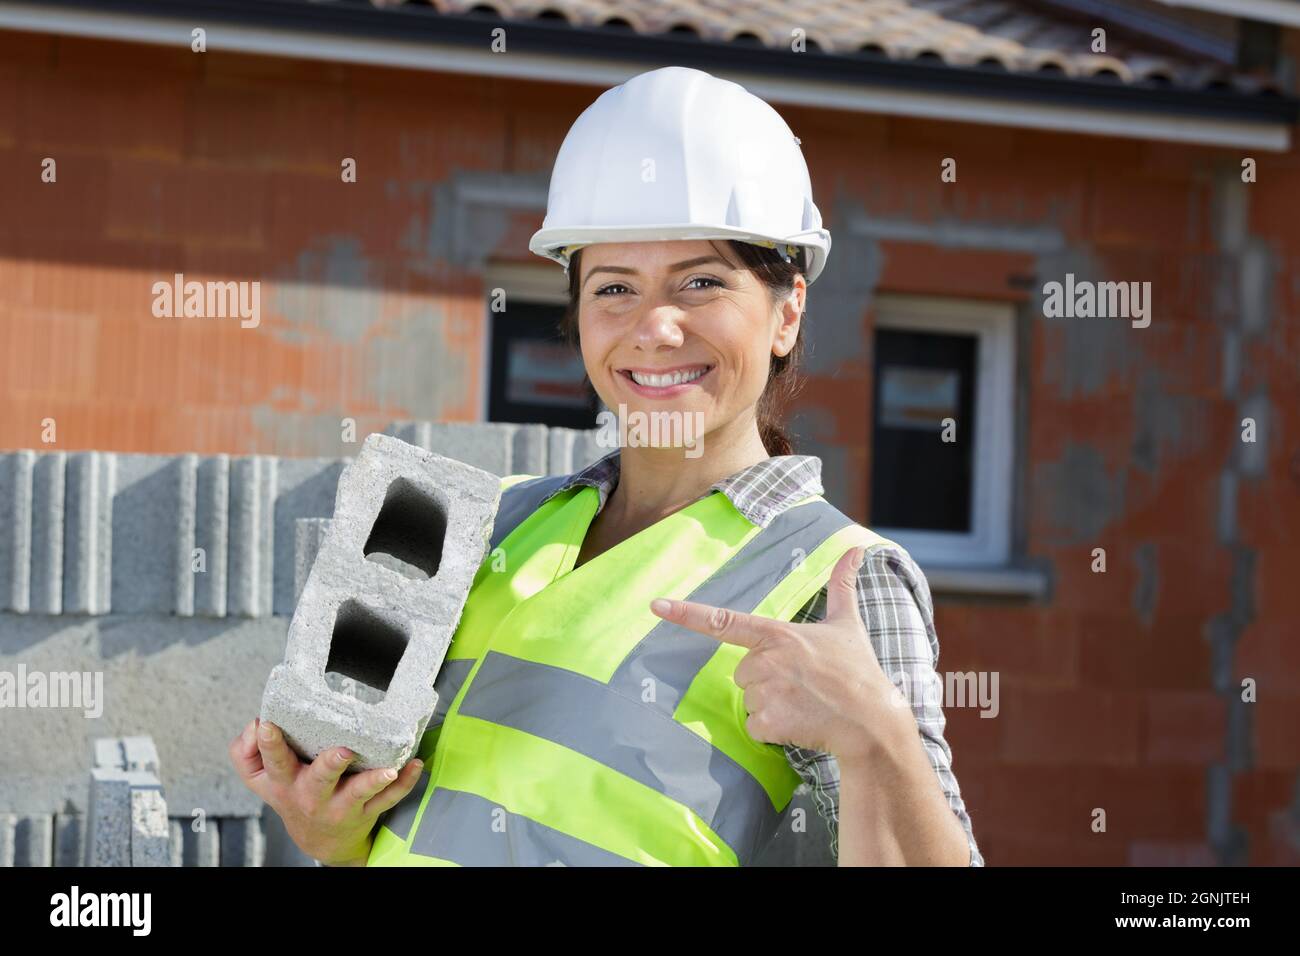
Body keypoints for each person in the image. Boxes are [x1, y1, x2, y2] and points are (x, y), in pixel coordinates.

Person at [231, 66, 982, 867]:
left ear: (787, 312)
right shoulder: (498, 522)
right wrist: (334, 837)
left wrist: (878, 740)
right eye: (614, 287)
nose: (654, 329)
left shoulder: (835, 579)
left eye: (701, 282)